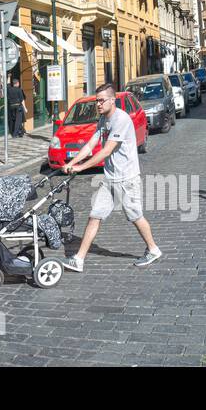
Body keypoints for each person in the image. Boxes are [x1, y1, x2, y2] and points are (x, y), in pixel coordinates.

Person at [64, 83, 162, 271]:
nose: (98, 104)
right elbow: (90, 145)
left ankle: (153, 249)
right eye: (96, 101)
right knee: (95, 215)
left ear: (112, 100)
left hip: (127, 179)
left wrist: (81, 167)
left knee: (135, 216)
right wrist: (72, 162)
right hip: (110, 179)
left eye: (101, 101)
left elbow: (106, 150)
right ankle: (79, 259)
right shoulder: (103, 120)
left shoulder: (121, 120)